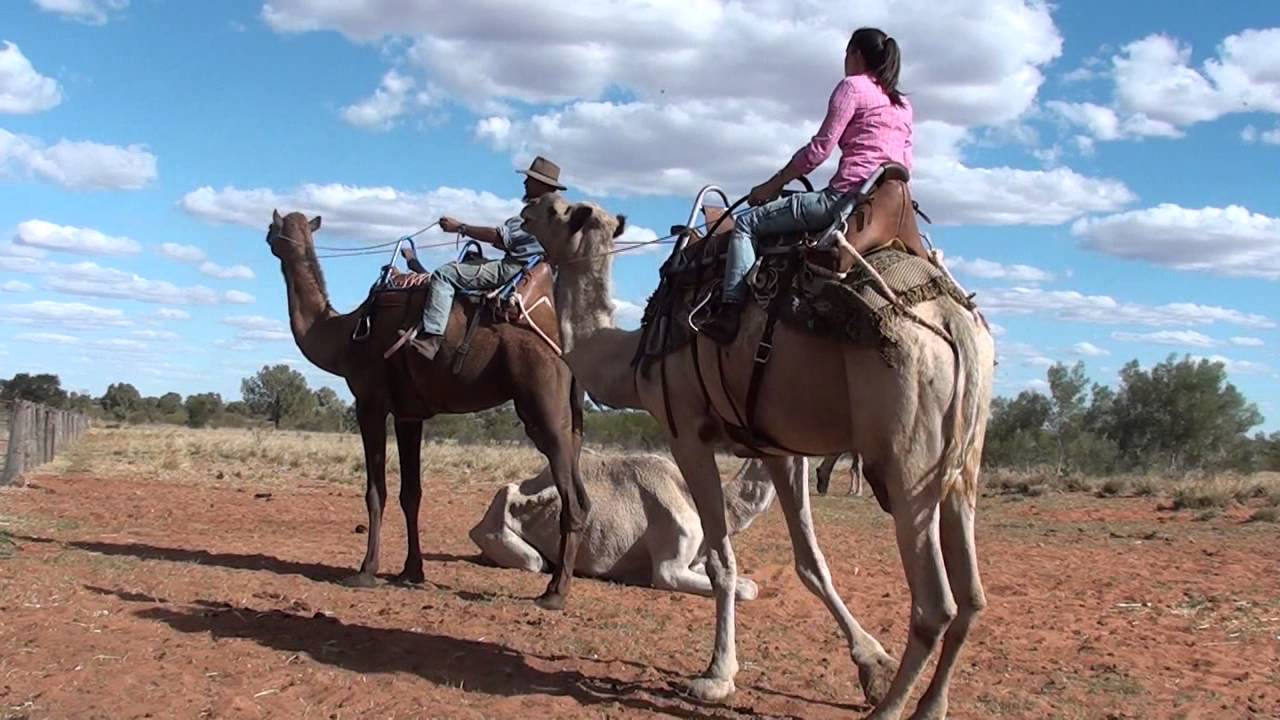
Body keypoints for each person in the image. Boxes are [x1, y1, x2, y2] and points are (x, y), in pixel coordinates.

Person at [700, 27, 913, 344]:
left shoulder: (852, 88)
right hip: (890, 208)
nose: (844, 61)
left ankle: (730, 311)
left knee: (745, 224)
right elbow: (906, 165)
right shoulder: (902, 106)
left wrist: (772, 185)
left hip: (844, 200)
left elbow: (819, 150)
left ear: (855, 55)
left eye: (846, 55)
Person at [402, 156, 566, 360]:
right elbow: (512, 242)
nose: (524, 183)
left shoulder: (533, 214)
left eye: (529, 179)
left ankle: (431, 338)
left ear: (541, 185)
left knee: (444, 275)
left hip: (514, 268)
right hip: (539, 273)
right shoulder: (559, 217)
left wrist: (459, 227)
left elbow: (498, 236)